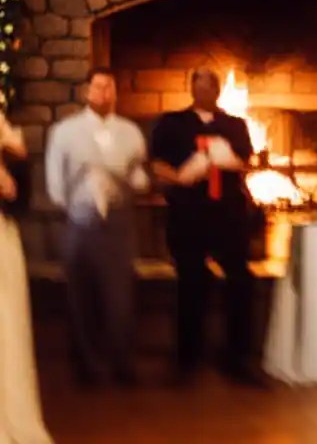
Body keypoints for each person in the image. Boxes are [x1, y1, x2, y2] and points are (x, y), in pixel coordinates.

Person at [149, 68, 264, 387]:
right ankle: (187, 358)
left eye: (211, 86)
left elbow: (246, 160)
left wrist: (226, 160)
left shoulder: (234, 124)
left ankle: (238, 358)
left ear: (217, 91)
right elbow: (157, 164)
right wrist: (181, 176)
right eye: (199, 84)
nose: (205, 90)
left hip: (228, 214)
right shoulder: (172, 123)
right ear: (191, 88)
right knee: (190, 281)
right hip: (188, 214)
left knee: (240, 280)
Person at [44, 68, 149, 387]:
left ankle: (121, 364)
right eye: (99, 86)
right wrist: (75, 206)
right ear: (87, 91)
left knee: (121, 298)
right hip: (80, 221)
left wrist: (137, 181)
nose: (104, 93)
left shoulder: (131, 132)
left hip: (119, 221)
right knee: (81, 296)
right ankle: (87, 369)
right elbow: (54, 180)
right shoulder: (65, 131)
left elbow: (139, 176)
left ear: (116, 93)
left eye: (110, 87)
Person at [0, 111, 53, 444]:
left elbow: (19, 196)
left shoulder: (7, 132)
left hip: (2, 237)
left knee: (6, 326)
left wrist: (12, 165)